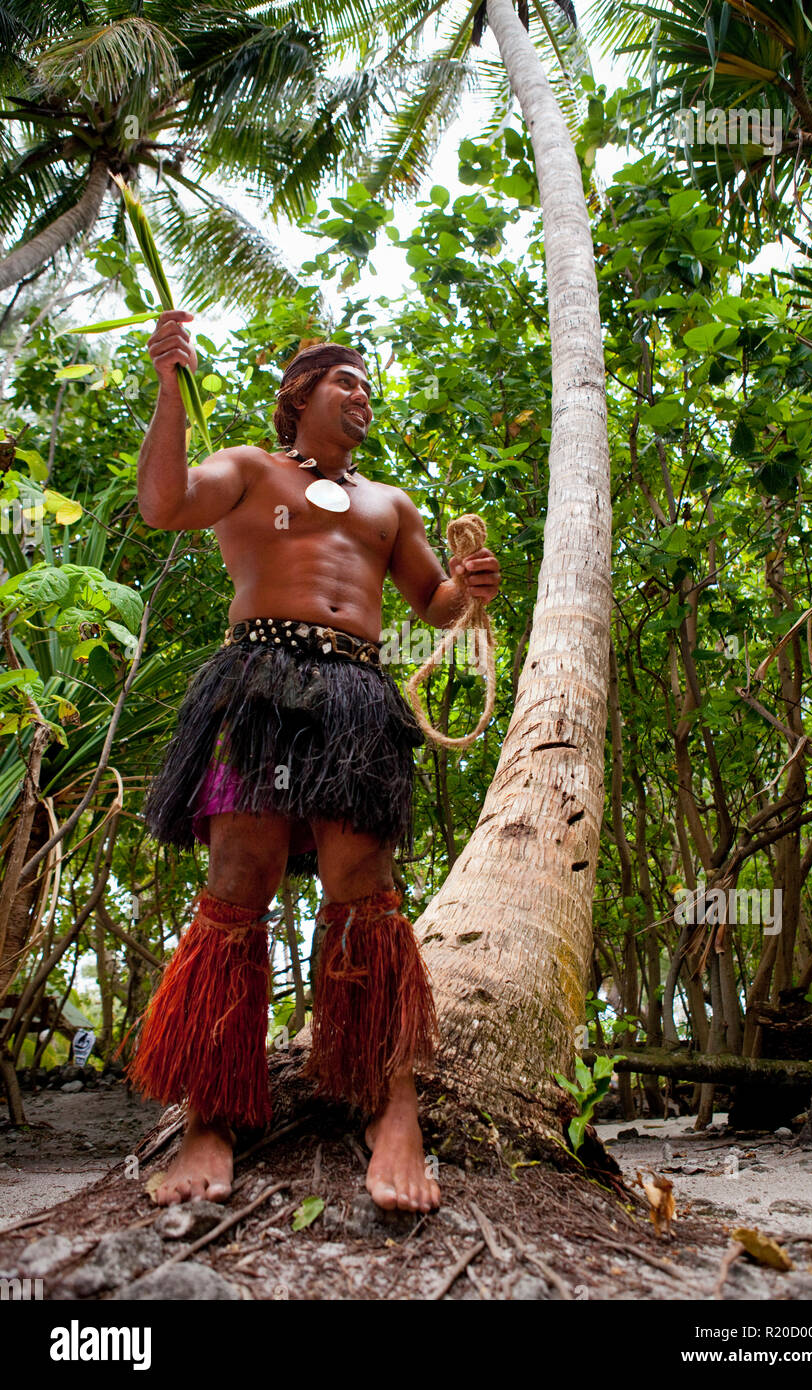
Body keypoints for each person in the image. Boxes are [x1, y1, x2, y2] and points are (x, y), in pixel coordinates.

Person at [129, 309, 501, 1214]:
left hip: (357, 696)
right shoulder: (253, 471)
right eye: (346, 380)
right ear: (300, 396)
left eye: (367, 383)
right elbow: (164, 506)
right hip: (257, 681)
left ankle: (391, 1105)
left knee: (365, 893)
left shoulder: (389, 504)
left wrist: (469, 591)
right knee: (236, 886)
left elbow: (434, 606)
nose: (362, 392)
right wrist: (170, 392)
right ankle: (211, 1111)